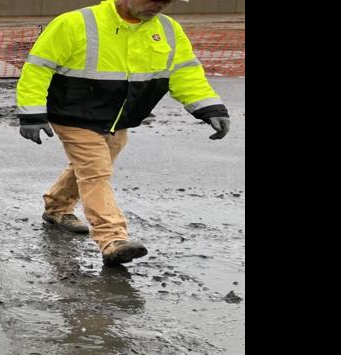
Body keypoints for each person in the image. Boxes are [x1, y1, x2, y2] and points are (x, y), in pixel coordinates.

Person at [15, 0, 228, 266]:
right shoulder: (74, 23)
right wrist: (32, 115)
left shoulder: (168, 29)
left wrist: (209, 107)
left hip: (119, 118)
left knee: (91, 167)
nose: (158, 5)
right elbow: (38, 69)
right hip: (73, 113)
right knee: (95, 170)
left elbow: (185, 73)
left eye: (166, 0)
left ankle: (57, 206)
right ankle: (112, 238)